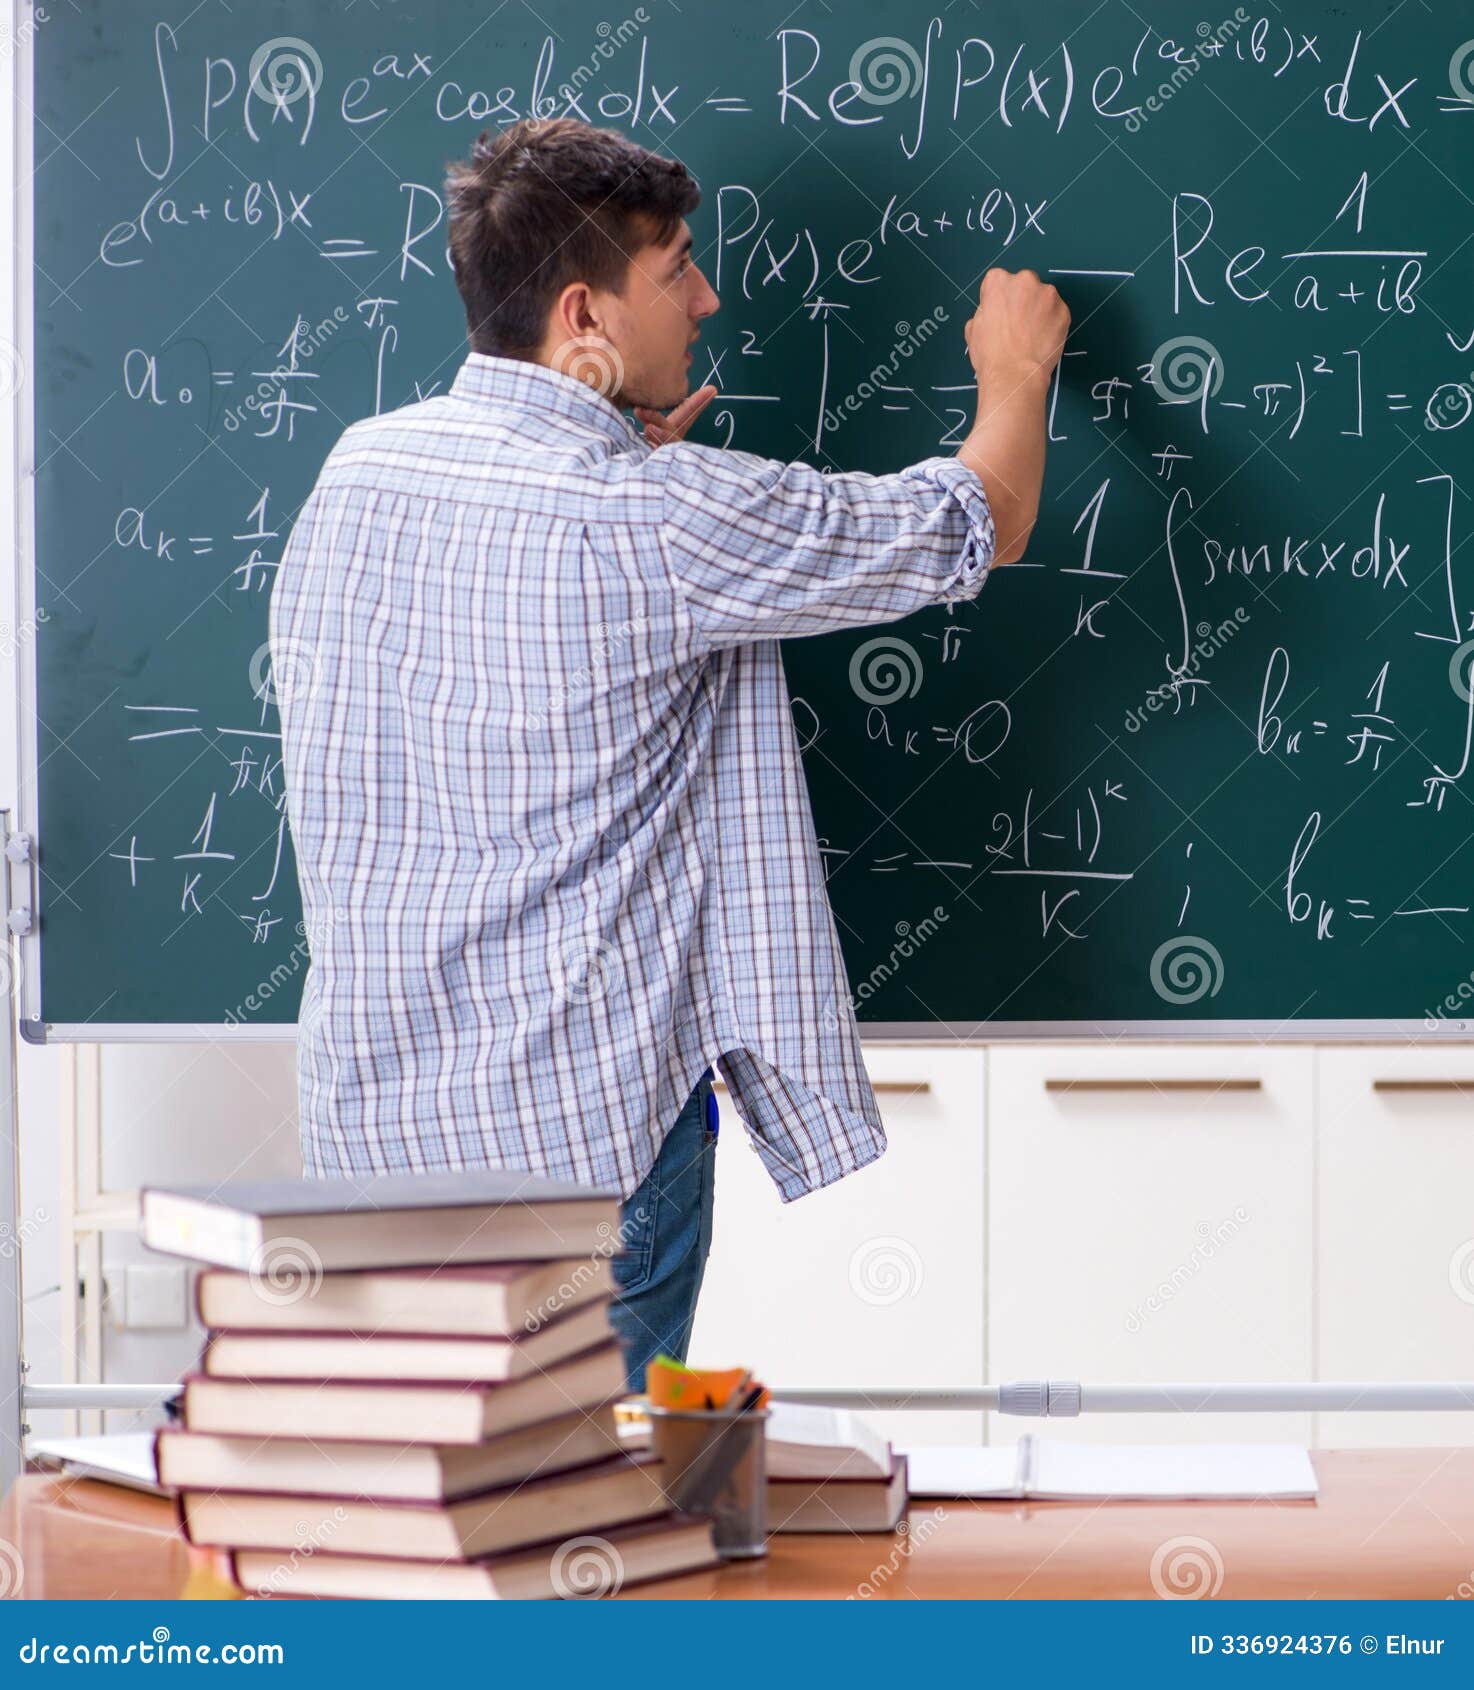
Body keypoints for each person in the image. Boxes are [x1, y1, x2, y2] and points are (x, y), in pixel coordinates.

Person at [271, 118, 1069, 1390]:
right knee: (570, 1544)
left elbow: (527, 628)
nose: (706, 298)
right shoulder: (656, 518)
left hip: (372, 1153)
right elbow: (979, 519)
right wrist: (1013, 373)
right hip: (584, 1168)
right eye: (676, 267)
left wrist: (625, 462)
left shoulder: (361, 468)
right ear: (584, 307)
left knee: (412, 1529)